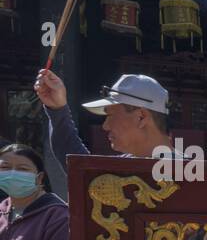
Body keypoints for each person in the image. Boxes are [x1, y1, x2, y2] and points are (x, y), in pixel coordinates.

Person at [33, 71, 173, 168]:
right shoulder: (119, 169)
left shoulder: (190, 176)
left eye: (111, 116)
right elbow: (79, 164)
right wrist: (57, 109)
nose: (105, 126)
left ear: (141, 117)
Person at [0, 144, 70, 240]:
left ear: (40, 178)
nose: (12, 174)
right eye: (5, 167)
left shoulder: (59, 215)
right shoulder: (2, 210)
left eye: (22, 169)